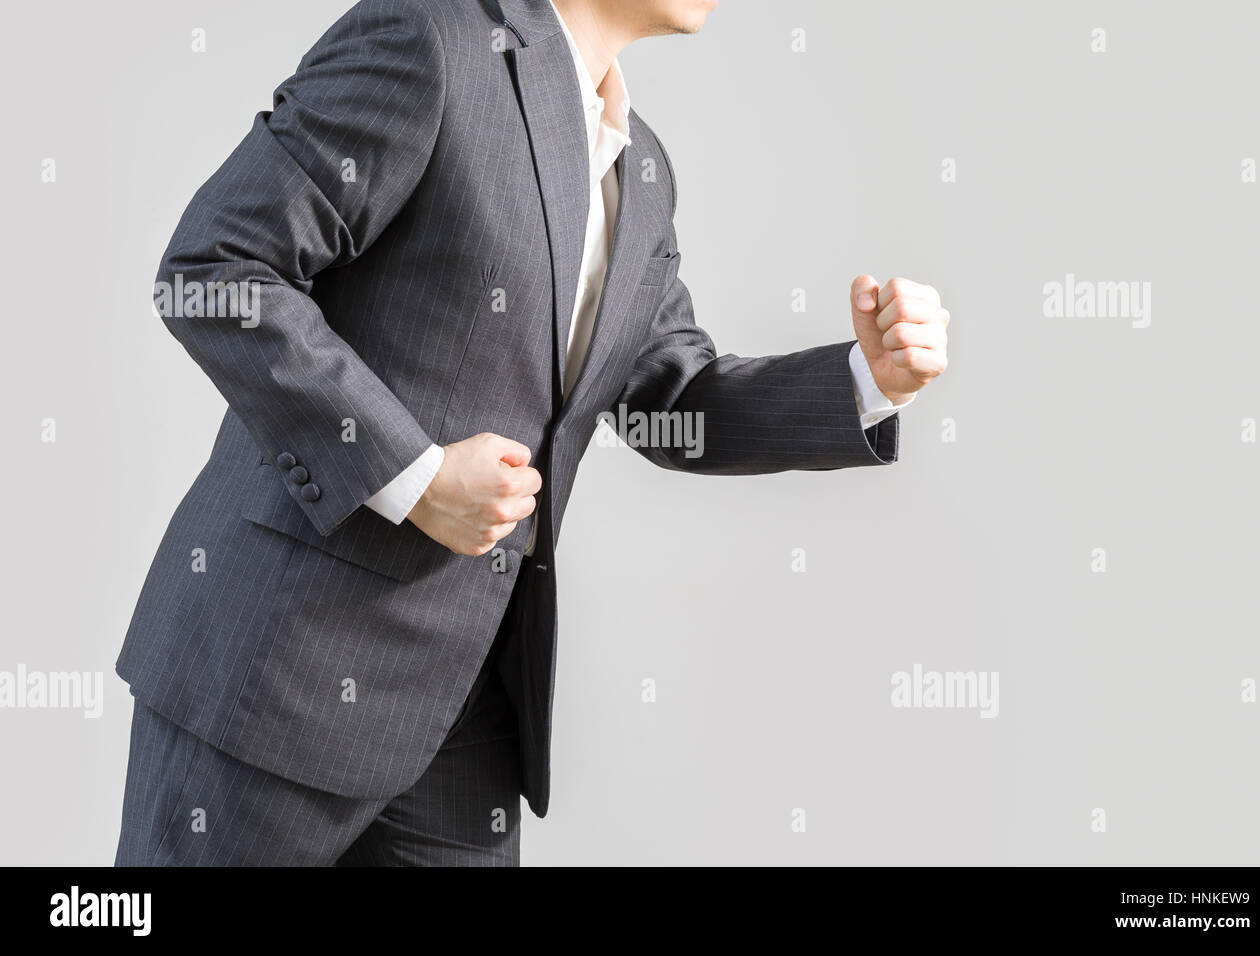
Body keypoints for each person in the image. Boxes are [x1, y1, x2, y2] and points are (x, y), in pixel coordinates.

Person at [114, 0, 950, 866]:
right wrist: (416, 475)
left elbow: (669, 397)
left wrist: (865, 381)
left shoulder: (643, 168)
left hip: (466, 715)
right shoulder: (426, 41)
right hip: (274, 678)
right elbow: (217, 267)